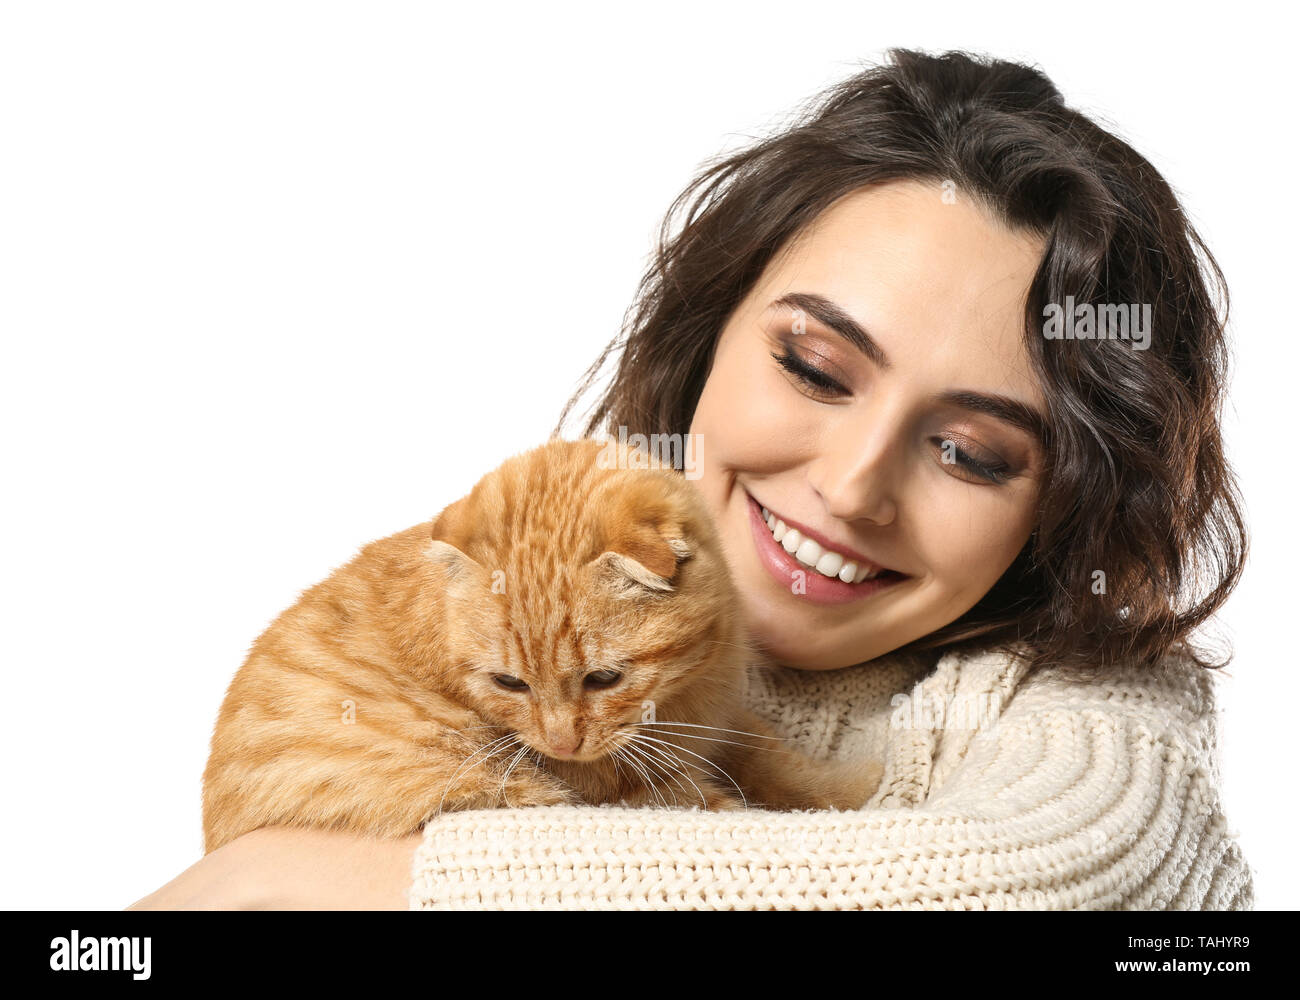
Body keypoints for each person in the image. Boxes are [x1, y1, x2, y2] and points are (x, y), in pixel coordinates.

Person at [130, 48, 1253, 910]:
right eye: (814, 368)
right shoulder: (534, 586)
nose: (853, 488)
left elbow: (1049, 888)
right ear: (709, 331)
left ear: (1070, 499)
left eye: (969, 451)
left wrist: (326, 877)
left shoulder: (1086, 705)